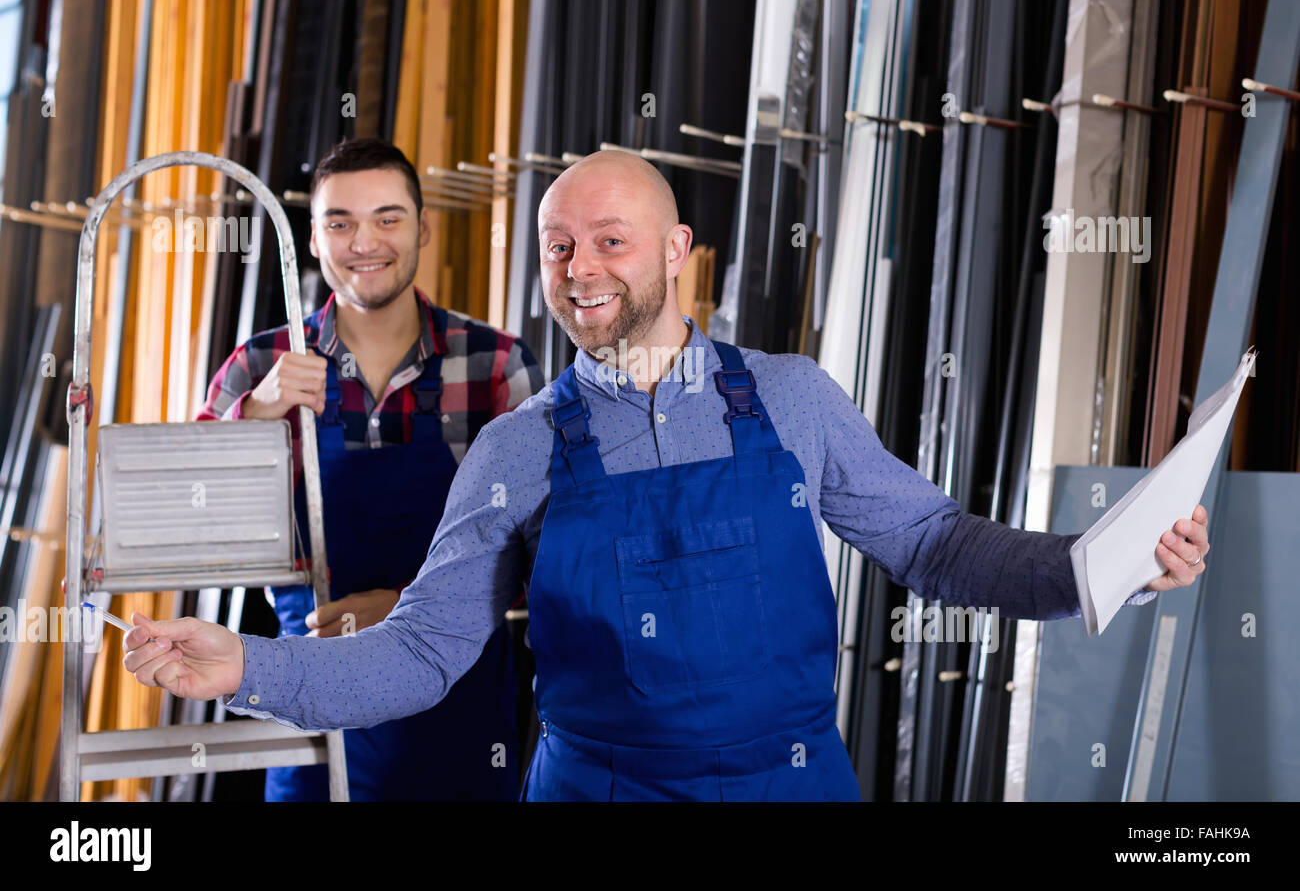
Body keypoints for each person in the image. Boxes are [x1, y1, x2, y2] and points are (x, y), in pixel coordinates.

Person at [130, 150, 1211, 801]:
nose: (582, 269)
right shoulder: (518, 443)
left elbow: (934, 543)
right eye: (558, 248)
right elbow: (420, 650)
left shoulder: (789, 398)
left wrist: (1094, 565)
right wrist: (247, 666)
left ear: (677, 248)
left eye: (611, 240)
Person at [195, 137, 544, 801]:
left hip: (459, 710)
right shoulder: (257, 366)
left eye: (388, 217)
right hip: (311, 699)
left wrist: (413, 611)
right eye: (340, 222)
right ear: (315, 238)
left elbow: (543, 547)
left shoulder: (497, 366)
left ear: (422, 227)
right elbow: (195, 523)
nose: (365, 241)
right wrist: (256, 415)